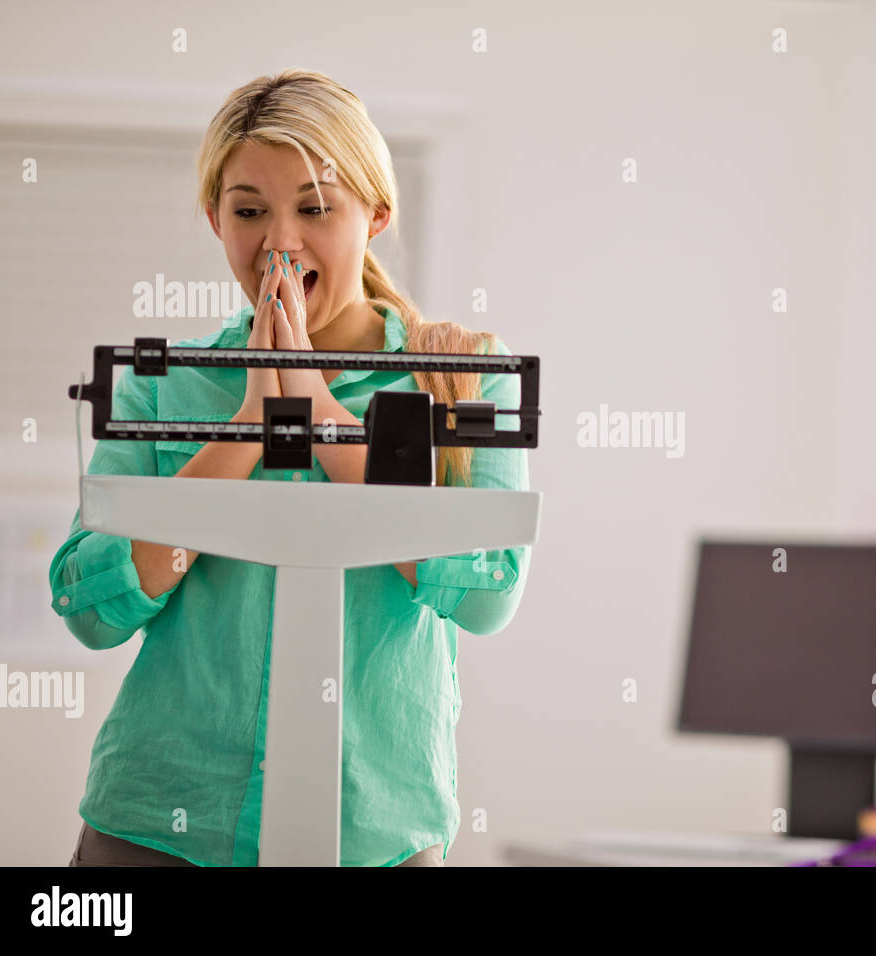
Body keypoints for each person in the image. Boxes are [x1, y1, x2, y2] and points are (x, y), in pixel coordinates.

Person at [49, 69, 531, 867]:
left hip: (372, 836)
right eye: (248, 211)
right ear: (214, 217)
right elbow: (92, 612)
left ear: (375, 214)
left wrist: (316, 410)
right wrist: (250, 425)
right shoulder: (159, 386)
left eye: (314, 208)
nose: (280, 241)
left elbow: (488, 595)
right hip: (157, 830)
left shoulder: (462, 376)